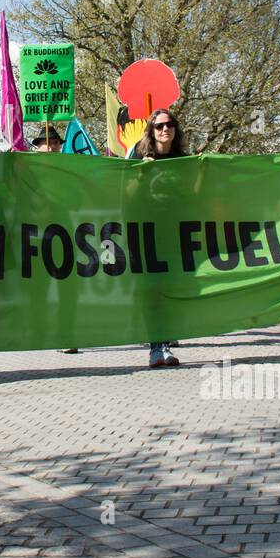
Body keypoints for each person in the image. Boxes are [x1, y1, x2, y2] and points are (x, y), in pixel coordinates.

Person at [126, 109, 184, 368]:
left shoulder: (183, 159)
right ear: (151, 130)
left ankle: (166, 345)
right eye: (159, 125)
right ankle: (156, 348)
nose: (165, 129)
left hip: (173, 230)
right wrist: (141, 174)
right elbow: (122, 190)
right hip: (143, 229)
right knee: (152, 289)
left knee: (171, 288)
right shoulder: (138, 154)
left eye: (170, 124)